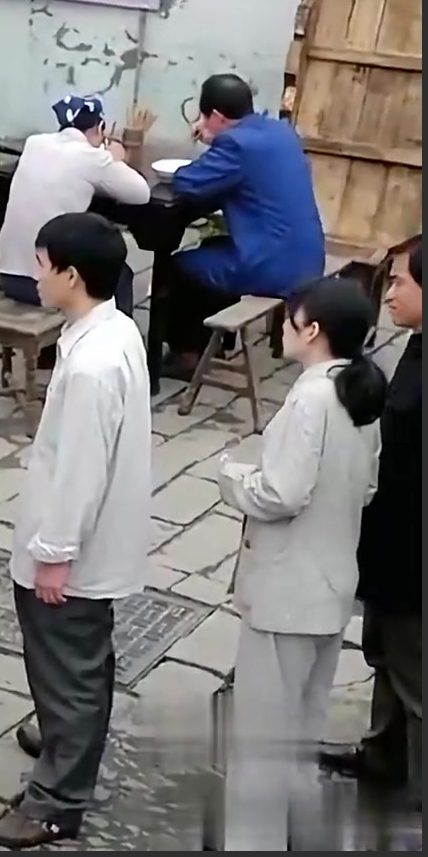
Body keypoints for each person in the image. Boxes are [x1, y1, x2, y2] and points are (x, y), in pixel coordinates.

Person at [0, 213, 152, 850]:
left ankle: (56, 800)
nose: (35, 274)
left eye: (43, 262)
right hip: (92, 535)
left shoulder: (90, 367)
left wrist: (54, 554)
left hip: (75, 550)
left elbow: (81, 468)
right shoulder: (112, 329)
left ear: (72, 275)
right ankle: (64, 738)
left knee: (69, 667)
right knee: (79, 664)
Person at [214, 276, 386, 849]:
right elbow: (366, 487)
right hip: (331, 588)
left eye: (289, 321)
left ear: (311, 331)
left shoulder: (310, 398)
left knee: (262, 742)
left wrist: (233, 477)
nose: (282, 329)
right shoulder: (360, 395)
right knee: (300, 734)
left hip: (286, 595)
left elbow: (281, 494)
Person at [321, 243, 422, 805]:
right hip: (386, 540)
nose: (390, 292)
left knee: (415, 674)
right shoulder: (413, 345)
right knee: (384, 652)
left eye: (403, 282)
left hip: (413, 550)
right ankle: (383, 754)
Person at [163, 74, 326, 375]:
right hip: (307, 257)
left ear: (216, 116)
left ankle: (186, 354)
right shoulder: (281, 132)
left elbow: (187, 183)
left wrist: (210, 143)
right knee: (212, 250)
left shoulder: (235, 144)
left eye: (202, 116)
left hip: (272, 265)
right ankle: (217, 342)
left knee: (179, 268)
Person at [0, 95, 149, 316]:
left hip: (7, 276)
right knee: (118, 274)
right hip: (42, 286)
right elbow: (141, 193)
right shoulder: (92, 157)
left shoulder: (34, 143)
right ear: (100, 127)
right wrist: (115, 158)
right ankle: (110, 342)